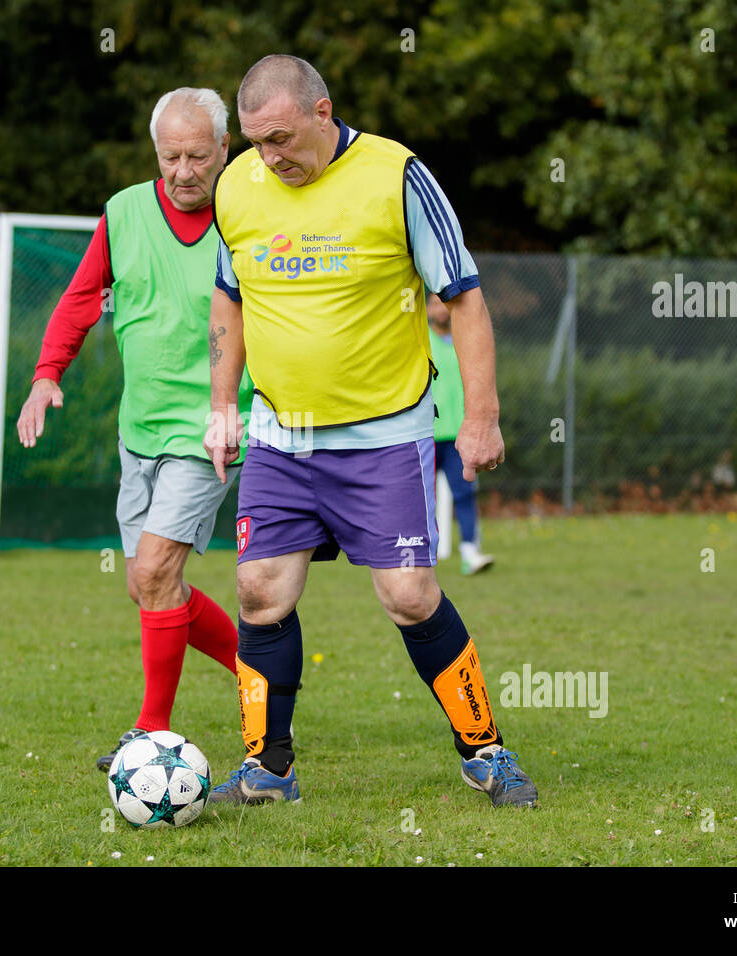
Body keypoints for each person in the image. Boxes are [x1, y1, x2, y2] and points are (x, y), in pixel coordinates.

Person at [204, 55, 536, 807]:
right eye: (256, 143)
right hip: (280, 438)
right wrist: (223, 404)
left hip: (384, 436)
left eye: (282, 138)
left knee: (410, 596)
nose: (270, 158)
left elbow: (467, 298)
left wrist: (480, 416)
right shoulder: (237, 188)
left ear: (324, 113)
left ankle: (485, 751)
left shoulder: (397, 175)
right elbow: (229, 299)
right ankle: (267, 770)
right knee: (259, 592)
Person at [17, 88, 254, 770]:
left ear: (224, 151)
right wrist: (46, 374)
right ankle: (258, 670)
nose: (183, 171)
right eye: (170, 156)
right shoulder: (123, 212)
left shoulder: (248, 217)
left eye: (198, 156)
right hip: (139, 429)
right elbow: (82, 296)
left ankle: (151, 732)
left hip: (209, 428)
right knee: (150, 586)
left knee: (155, 571)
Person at [428, 293, 495, 574]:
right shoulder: (418, 338)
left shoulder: (466, 341)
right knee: (419, 498)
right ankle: (420, 555)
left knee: (465, 494)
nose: (441, 308)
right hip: (425, 435)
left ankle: (470, 551)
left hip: (459, 435)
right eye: (433, 303)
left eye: (444, 302)